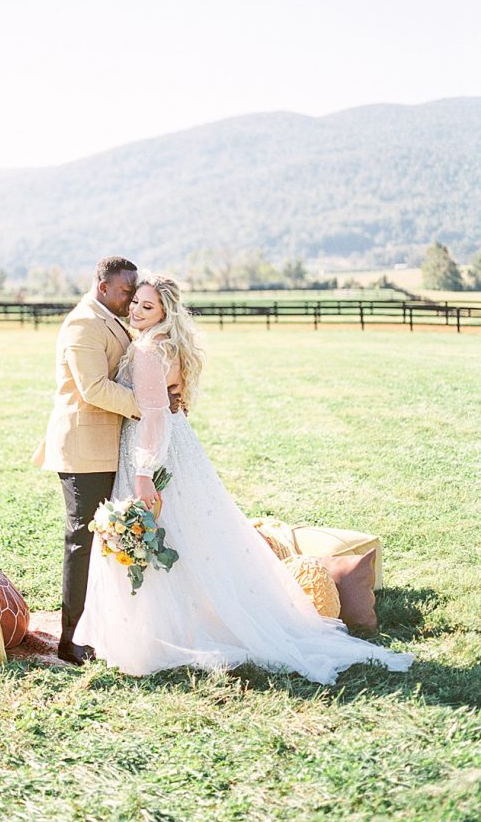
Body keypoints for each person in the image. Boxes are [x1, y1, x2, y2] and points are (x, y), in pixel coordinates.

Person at [73, 273, 415, 683]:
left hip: (152, 451)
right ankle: (186, 620)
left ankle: (163, 633)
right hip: (178, 448)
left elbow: (154, 415)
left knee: (164, 534)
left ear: (166, 311)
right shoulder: (168, 344)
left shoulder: (148, 349)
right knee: (187, 535)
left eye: (148, 306)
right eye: (136, 303)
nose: (136, 310)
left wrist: (144, 472)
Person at [33, 256, 181, 665]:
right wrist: (148, 406)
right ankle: (69, 638)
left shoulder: (113, 319)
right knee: (82, 540)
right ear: (103, 288)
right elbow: (94, 388)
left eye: (136, 295)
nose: (131, 300)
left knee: (105, 541)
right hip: (83, 447)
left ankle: (102, 627)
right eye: (125, 292)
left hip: (110, 443)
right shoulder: (82, 324)